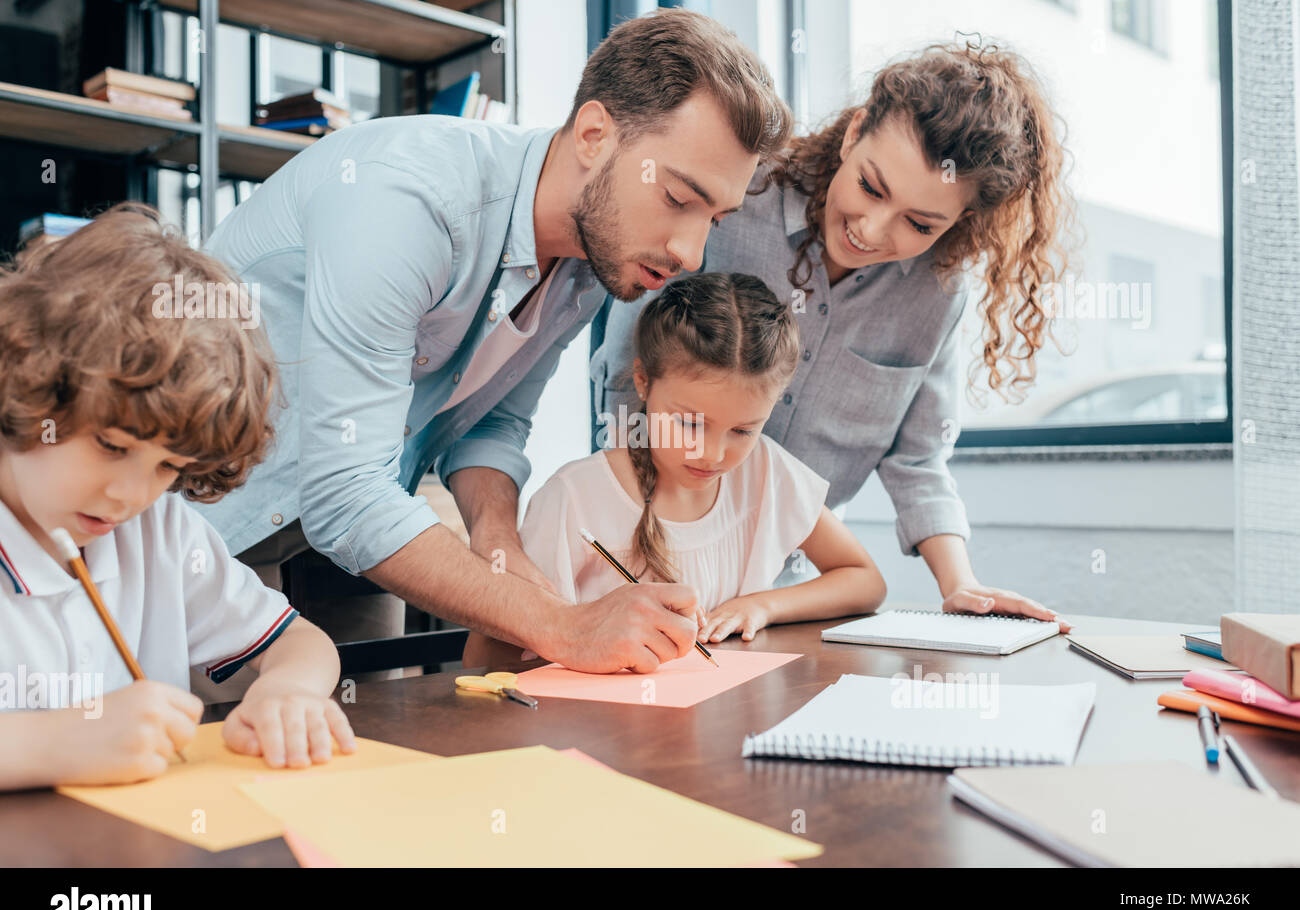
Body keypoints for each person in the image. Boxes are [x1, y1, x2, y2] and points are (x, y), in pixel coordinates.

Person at [195, 8, 793, 674]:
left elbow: (493, 424)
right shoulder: (409, 199)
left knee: (369, 746)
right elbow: (345, 494)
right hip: (209, 520)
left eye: (715, 217)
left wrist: (501, 542)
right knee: (220, 756)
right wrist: (561, 624)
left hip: (351, 530)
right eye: (679, 199)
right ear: (594, 134)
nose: (690, 250)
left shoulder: (592, 263)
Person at [593, 41, 1076, 629]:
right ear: (852, 136)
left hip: (791, 591)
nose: (872, 230)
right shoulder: (736, 199)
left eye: (920, 223)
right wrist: (636, 527)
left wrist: (960, 584)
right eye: (872, 188)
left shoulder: (935, 296)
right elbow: (626, 374)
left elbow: (918, 458)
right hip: (644, 550)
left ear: (959, 223)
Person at [0, 204, 356, 789]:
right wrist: (51, 744)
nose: (129, 495)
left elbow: (298, 641)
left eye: (169, 465)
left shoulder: (160, 531)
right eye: (112, 446)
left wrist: (285, 691)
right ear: (28, 382)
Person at [464, 273, 885, 669]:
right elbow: (484, 656)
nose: (712, 454)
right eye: (690, 423)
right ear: (643, 381)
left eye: (743, 429)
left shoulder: (766, 472)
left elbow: (865, 582)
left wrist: (762, 605)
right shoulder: (574, 499)